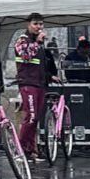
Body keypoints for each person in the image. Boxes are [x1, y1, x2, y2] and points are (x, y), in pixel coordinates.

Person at [10, 14, 59, 155]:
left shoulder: (40, 45)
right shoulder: (22, 40)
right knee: (30, 117)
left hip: (40, 84)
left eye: (41, 24)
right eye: (36, 24)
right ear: (28, 24)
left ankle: (30, 149)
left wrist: (50, 77)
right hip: (27, 83)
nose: (39, 27)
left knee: (36, 118)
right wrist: (37, 43)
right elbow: (26, 56)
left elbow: (39, 65)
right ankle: (19, 149)